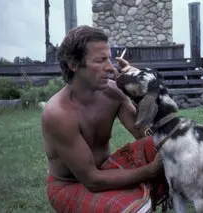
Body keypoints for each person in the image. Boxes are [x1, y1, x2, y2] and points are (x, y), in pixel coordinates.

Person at [41, 25, 169, 213]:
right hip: (69, 185)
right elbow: (92, 180)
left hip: (106, 169)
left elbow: (145, 133)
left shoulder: (113, 92)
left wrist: (140, 92)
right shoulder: (59, 113)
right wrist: (150, 171)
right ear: (74, 65)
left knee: (171, 146)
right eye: (100, 60)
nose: (110, 67)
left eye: (109, 58)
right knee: (134, 210)